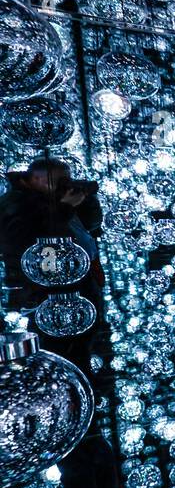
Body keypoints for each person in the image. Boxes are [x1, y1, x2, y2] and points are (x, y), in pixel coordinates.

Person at [0, 159, 102, 376]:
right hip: (42, 298)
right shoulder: (15, 205)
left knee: (79, 351)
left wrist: (85, 199)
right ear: (35, 179)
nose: (65, 187)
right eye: (59, 182)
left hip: (73, 291)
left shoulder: (52, 200)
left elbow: (92, 225)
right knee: (55, 358)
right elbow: (28, 242)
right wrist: (64, 207)